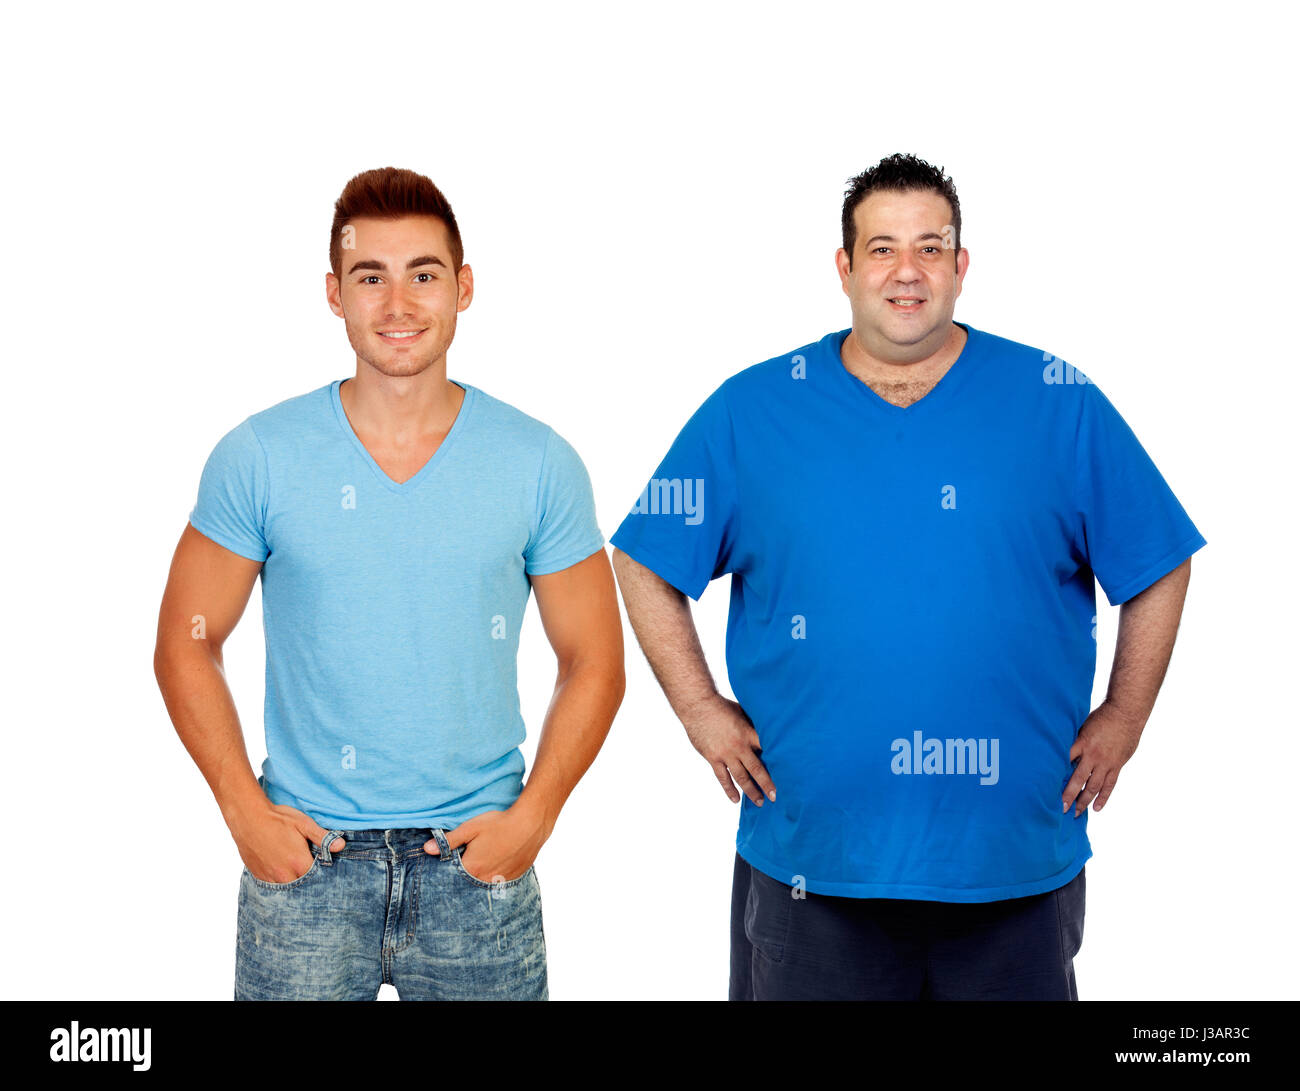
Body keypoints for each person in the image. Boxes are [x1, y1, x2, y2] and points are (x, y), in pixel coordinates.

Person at [609, 152, 1205, 1001]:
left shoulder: (1055, 399)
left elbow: (1158, 559)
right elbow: (641, 555)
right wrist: (699, 709)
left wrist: (1127, 714)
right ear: (845, 268)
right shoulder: (753, 410)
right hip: (813, 860)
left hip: (1013, 859)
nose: (908, 272)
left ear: (961, 268)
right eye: (882, 249)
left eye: (931, 247)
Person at [153, 166, 624, 1000]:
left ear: (464, 288)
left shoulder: (537, 461)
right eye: (371, 276)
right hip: (306, 868)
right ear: (335, 293)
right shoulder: (260, 454)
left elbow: (594, 659)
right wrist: (242, 810)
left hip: (476, 872)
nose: (397, 303)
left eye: (423, 274)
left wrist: (535, 817)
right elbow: (186, 644)